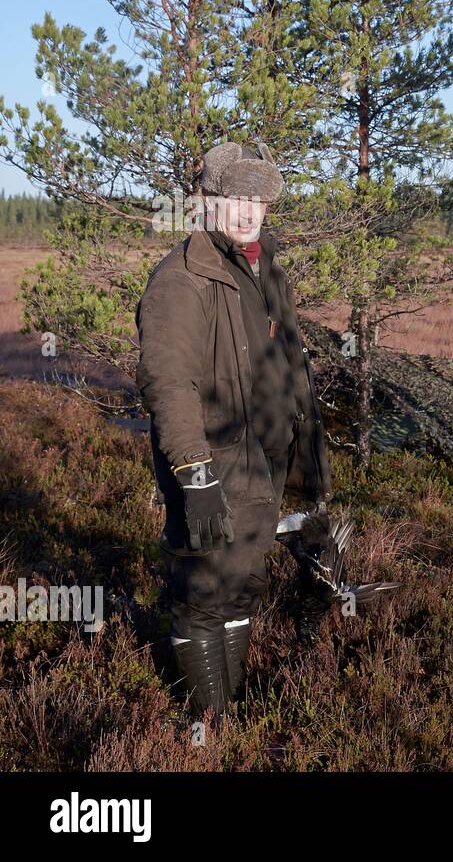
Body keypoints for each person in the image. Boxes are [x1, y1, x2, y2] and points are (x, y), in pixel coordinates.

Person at [136, 141, 331, 719]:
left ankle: (232, 714)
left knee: (244, 582)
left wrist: (307, 464)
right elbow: (168, 383)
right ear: (206, 200)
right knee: (203, 593)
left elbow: (292, 368)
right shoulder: (181, 279)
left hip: (266, 461)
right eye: (235, 197)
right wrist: (194, 475)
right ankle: (207, 727)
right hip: (213, 464)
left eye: (258, 199)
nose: (248, 211)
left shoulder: (266, 268)